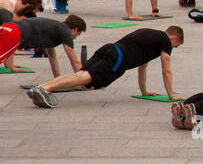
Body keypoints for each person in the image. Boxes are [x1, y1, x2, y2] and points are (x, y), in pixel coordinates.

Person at [27, 26, 184, 108]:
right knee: (85, 78)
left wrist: (144, 92)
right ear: (174, 38)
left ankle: (43, 86)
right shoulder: (164, 39)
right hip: (119, 58)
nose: (173, 49)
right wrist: (171, 94)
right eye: (175, 46)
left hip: (109, 48)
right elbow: (166, 68)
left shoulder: (150, 35)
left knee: (81, 76)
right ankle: (44, 89)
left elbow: (142, 67)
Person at [4, 15, 85, 77]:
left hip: (8, 27)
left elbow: (52, 57)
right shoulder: (65, 31)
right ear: (75, 29)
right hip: (13, 32)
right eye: (77, 35)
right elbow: (74, 60)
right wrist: (83, 80)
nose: (75, 38)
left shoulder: (55, 29)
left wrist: (57, 78)